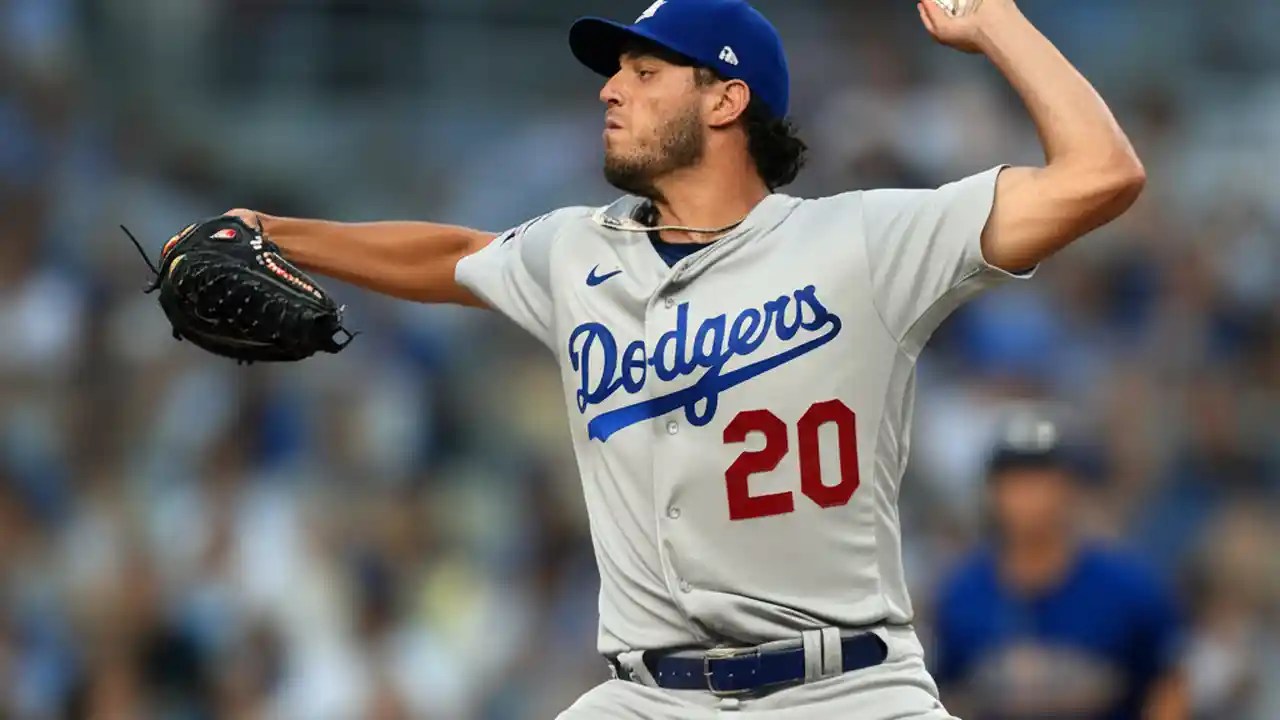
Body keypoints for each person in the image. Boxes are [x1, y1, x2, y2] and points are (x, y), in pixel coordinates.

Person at [224, 0, 1146, 716]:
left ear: (726, 97)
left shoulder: (862, 240)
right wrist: (274, 233)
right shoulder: (576, 252)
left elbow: (1101, 175)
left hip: (849, 688)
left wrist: (998, 22)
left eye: (644, 69)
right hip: (644, 696)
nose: (609, 89)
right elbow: (452, 255)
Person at [932, 415, 1188, 720]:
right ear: (993, 493)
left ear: (1070, 489)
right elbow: (943, 695)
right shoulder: (962, 595)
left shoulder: (1129, 588)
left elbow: (1168, 687)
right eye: (1016, 482)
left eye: (1043, 480)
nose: (1029, 496)